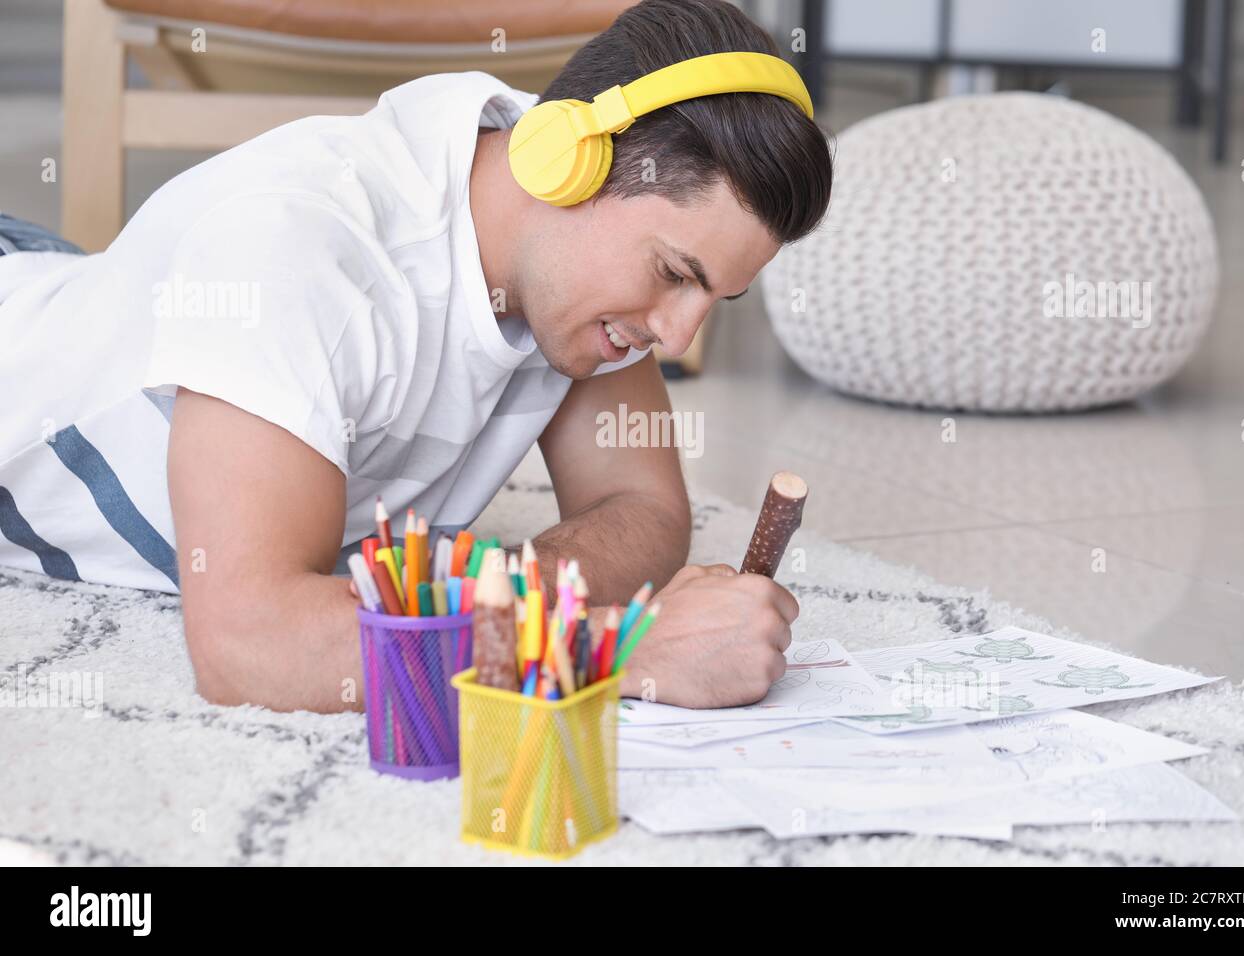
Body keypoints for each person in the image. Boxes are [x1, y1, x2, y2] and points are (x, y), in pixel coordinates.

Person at [0, 0, 831, 713]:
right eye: (672, 274)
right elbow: (249, 645)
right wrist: (606, 652)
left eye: (710, 297)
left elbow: (645, 513)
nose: (678, 337)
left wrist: (484, 603)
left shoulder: (579, 294)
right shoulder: (296, 246)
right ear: (565, 160)